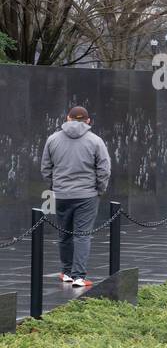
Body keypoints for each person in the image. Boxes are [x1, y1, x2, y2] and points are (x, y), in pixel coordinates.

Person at [41, 106, 111, 288]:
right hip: (87, 195)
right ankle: (79, 276)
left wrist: (54, 187)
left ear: (67, 118)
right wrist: (99, 190)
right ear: (88, 121)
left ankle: (65, 272)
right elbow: (104, 169)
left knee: (64, 234)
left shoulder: (52, 139)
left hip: (62, 194)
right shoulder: (96, 141)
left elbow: (45, 168)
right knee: (82, 235)